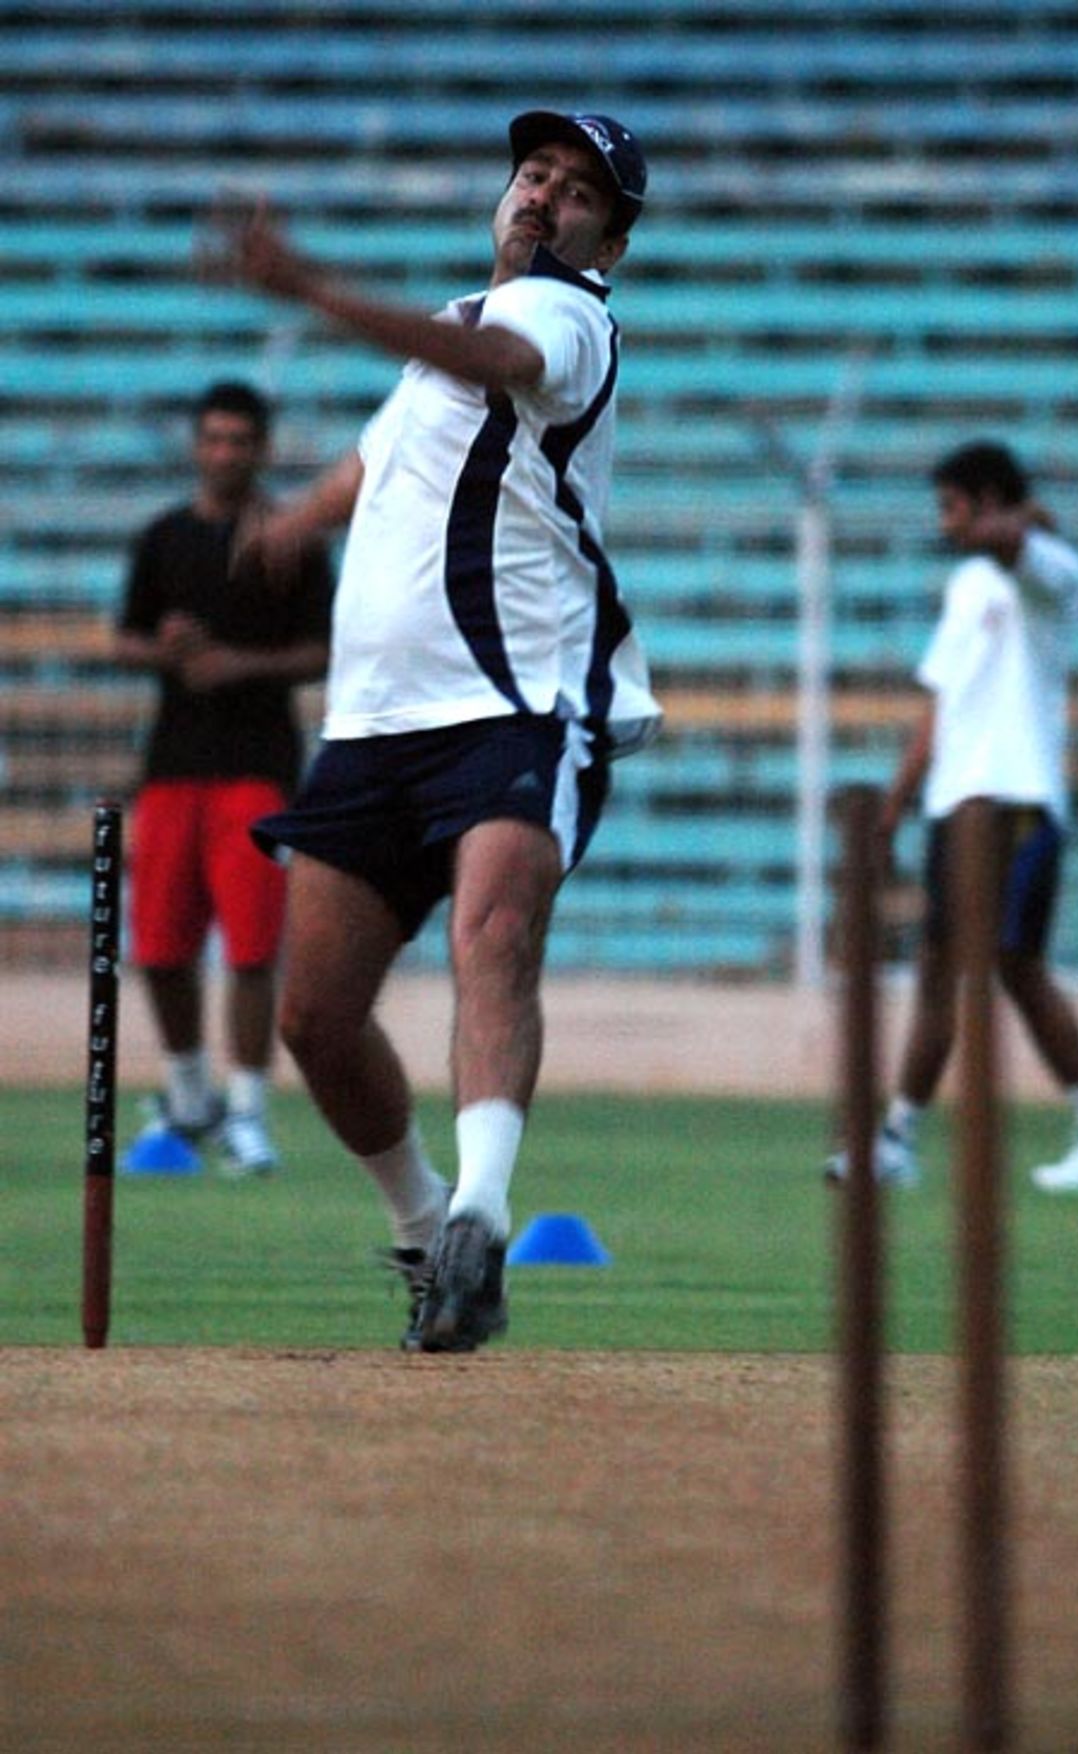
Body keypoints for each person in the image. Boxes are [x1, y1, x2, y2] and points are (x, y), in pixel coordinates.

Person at [205, 111, 660, 1348]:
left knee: (493, 931)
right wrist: (303, 514)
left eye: (575, 192)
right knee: (313, 1015)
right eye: (532, 174)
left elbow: (494, 366)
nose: (542, 197)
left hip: (513, 699)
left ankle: (484, 1211)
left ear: (608, 239)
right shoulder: (457, 329)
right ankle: (423, 1232)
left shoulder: (567, 319)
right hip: (375, 719)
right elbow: (388, 450)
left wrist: (307, 286)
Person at [825, 439, 1078, 1193]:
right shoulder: (971, 584)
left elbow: (1014, 542)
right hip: (957, 801)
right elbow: (942, 704)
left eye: (952, 508)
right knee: (942, 971)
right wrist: (896, 803)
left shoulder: (1054, 570)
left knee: (1016, 965)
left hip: (1017, 801)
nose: (943, 525)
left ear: (987, 501)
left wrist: (1020, 521)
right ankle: (897, 1141)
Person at [114, 380, 334, 1175]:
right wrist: (165, 646)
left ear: (262, 448)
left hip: (257, 769)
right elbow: (126, 640)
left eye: (239, 440)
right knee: (162, 948)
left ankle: (246, 1111)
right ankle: (187, 1095)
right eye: (213, 438)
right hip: (172, 766)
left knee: (249, 951)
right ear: (196, 445)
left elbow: (324, 648)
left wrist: (240, 663)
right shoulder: (163, 538)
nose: (225, 453)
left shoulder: (291, 540)